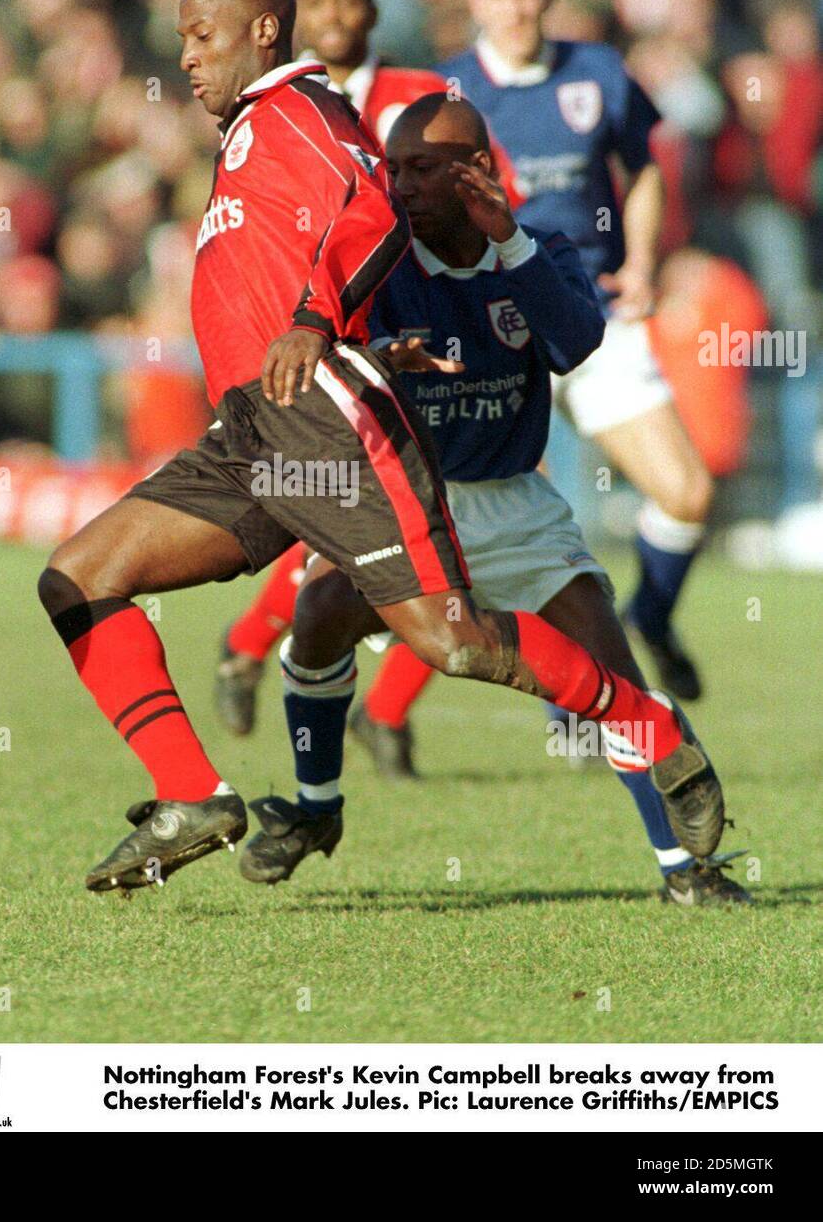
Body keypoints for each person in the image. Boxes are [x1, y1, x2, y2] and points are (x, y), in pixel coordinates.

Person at [37, 0, 724, 895]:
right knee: (80, 579)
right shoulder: (250, 133)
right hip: (255, 432)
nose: (185, 57)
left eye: (203, 36)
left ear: (264, 34)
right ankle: (195, 794)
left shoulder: (298, 115)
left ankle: (648, 734)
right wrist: (370, 341)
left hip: (352, 437)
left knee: (455, 642)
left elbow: (368, 207)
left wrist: (320, 324)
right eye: (184, 37)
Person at [238, 95, 745, 906]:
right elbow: (318, 351)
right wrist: (375, 359)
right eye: (394, 166)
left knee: (615, 676)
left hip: (514, 506)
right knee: (317, 620)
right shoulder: (380, 258)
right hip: (406, 504)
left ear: (478, 169)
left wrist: (508, 241)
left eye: (424, 168)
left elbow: (576, 342)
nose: (400, 184)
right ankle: (315, 809)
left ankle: (687, 870)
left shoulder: (538, 248)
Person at [214, 0, 520, 740]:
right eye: (319, 1)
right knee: (345, 512)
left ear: (373, 12)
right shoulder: (276, 108)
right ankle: (265, 655)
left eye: (349, 0)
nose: (335, 15)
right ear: (290, 22)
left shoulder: (418, 97)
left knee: (411, 517)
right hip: (333, 342)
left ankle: (360, 702)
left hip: (415, 318)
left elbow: (489, 188)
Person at [436, 0, 714, 708]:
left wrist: (645, 262)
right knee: (483, 538)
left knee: (686, 493)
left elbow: (647, 165)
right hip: (490, 328)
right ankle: (386, 712)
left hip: (589, 313)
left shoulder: (597, 72)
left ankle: (650, 619)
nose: (515, 8)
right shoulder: (443, 89)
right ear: (474, 2)